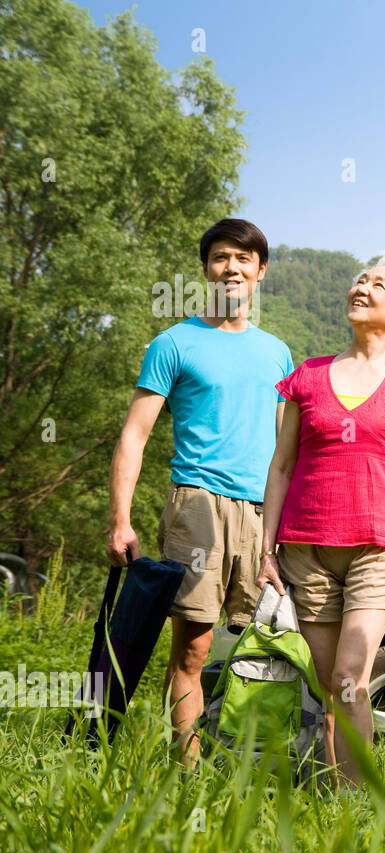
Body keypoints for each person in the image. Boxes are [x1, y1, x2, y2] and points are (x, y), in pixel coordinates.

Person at [258, 248, 385, 786]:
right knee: (330, 688)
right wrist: (266, 549)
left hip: (381, 546)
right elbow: (281, 466)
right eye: (359, 280)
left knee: (350, 678)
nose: (361, 288)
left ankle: (359, 802)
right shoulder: (307, 376)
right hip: (306, 547)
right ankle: (335, 797)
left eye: (378, 285)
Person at [106, 218, 294, 765]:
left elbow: (286, 451)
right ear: (206, 269)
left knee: (266, 644)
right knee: (193, 646)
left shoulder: (277, 353)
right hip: (197, 504)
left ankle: (261, 759)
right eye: (219, 258)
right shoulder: (173, 343)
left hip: (262, 513)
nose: (230, 268)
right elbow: (134, 435)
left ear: (260, 270)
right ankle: (186, 771)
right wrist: (121, 520)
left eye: (243, 259)